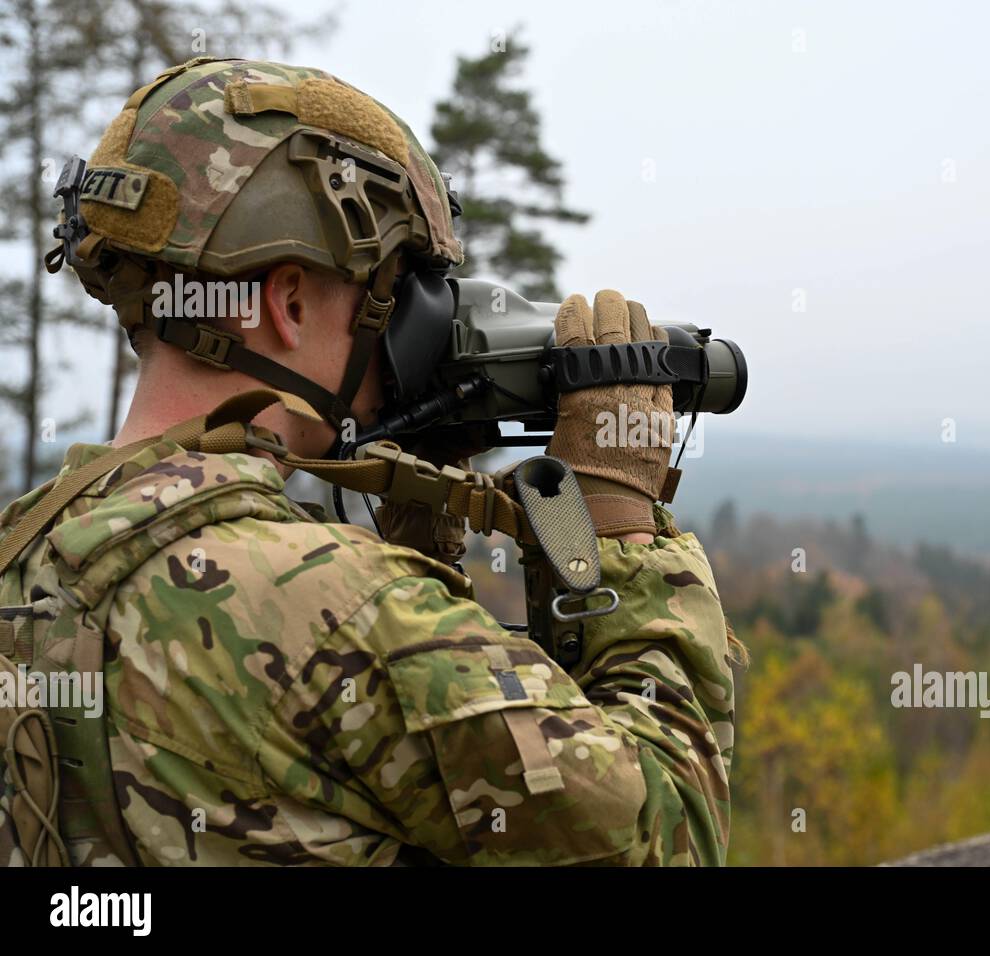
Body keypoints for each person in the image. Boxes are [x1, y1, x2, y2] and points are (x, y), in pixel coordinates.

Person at [0, 57, 740, 866]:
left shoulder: (29, 552)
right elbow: (666, 830)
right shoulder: (337, 607)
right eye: (395, 292)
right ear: (286, 304)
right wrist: (617, 523)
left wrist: (419, 530)